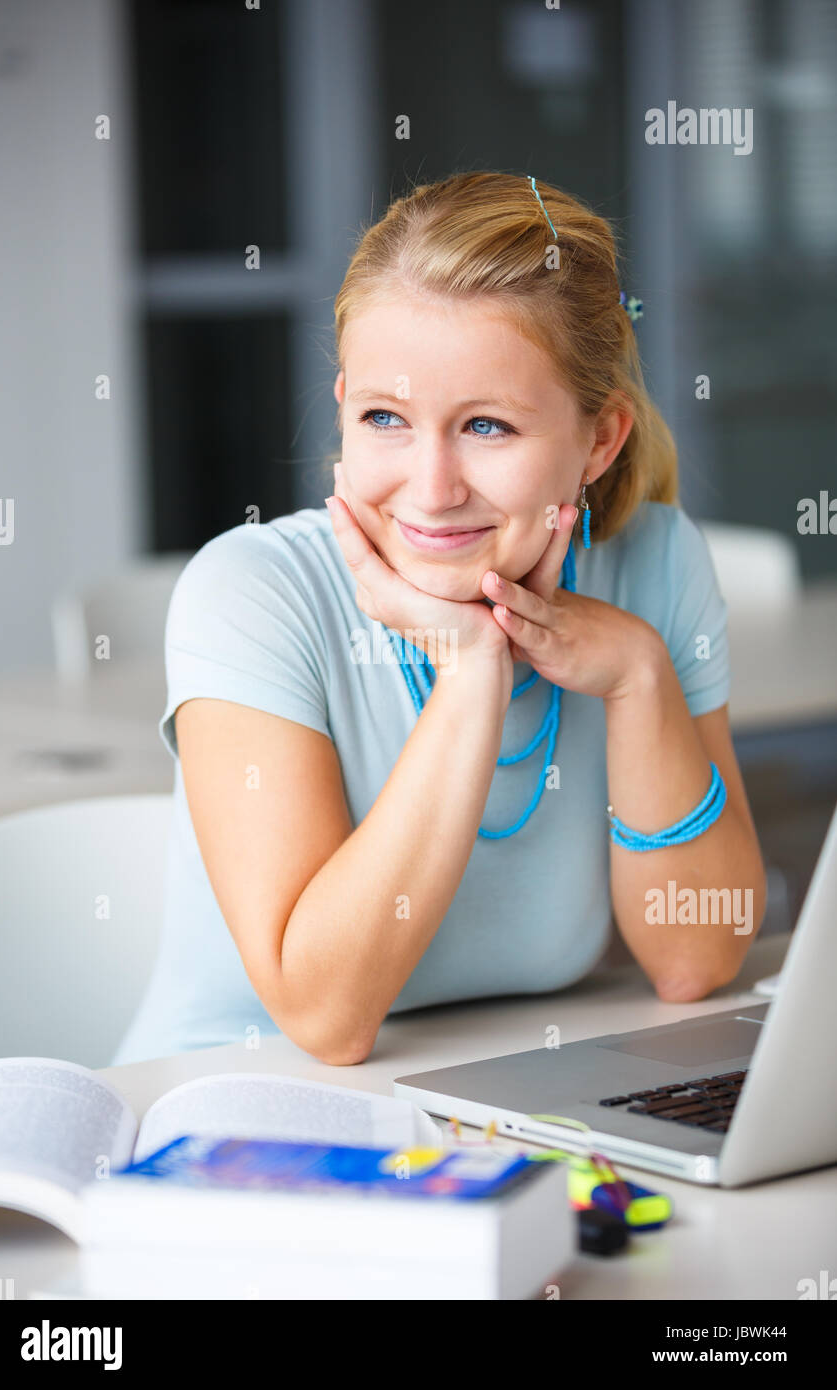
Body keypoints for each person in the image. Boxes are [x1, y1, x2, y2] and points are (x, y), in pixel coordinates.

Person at [111, 172, 767, 1068]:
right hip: (239, 1105)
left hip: (510, 1090)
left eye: (487, 427)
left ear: (600, 441)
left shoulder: (652, 562)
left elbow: (698, 956)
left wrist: (639, 675)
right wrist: (469, 673)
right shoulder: (251, 593)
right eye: (385, 417)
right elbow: (327, 1019)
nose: (431, 488)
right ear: (344, 406)